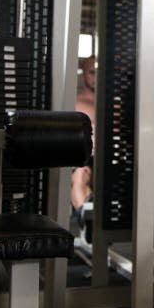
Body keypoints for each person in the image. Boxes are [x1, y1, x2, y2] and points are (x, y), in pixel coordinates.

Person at [71, 55, 96, 211]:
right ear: (83, 74)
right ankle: (85, 221)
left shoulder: (116, 104)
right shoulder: (76, 102)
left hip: (109, 160)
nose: (96, 77)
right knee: (80, 175)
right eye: (92, 72)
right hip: (83, 160)